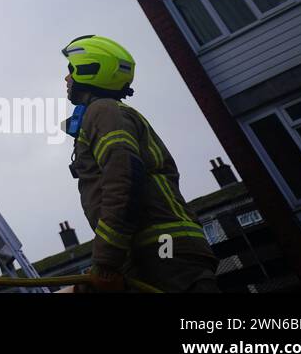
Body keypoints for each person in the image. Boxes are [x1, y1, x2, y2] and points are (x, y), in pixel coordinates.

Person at [61, 34, 220, 292]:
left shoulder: (103, 111)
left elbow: (124, 178)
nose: (66, 79)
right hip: (159, 250)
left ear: (89, 70)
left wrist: (105, 262)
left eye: (70, 71)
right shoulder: (113, 112)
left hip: (160, 253)